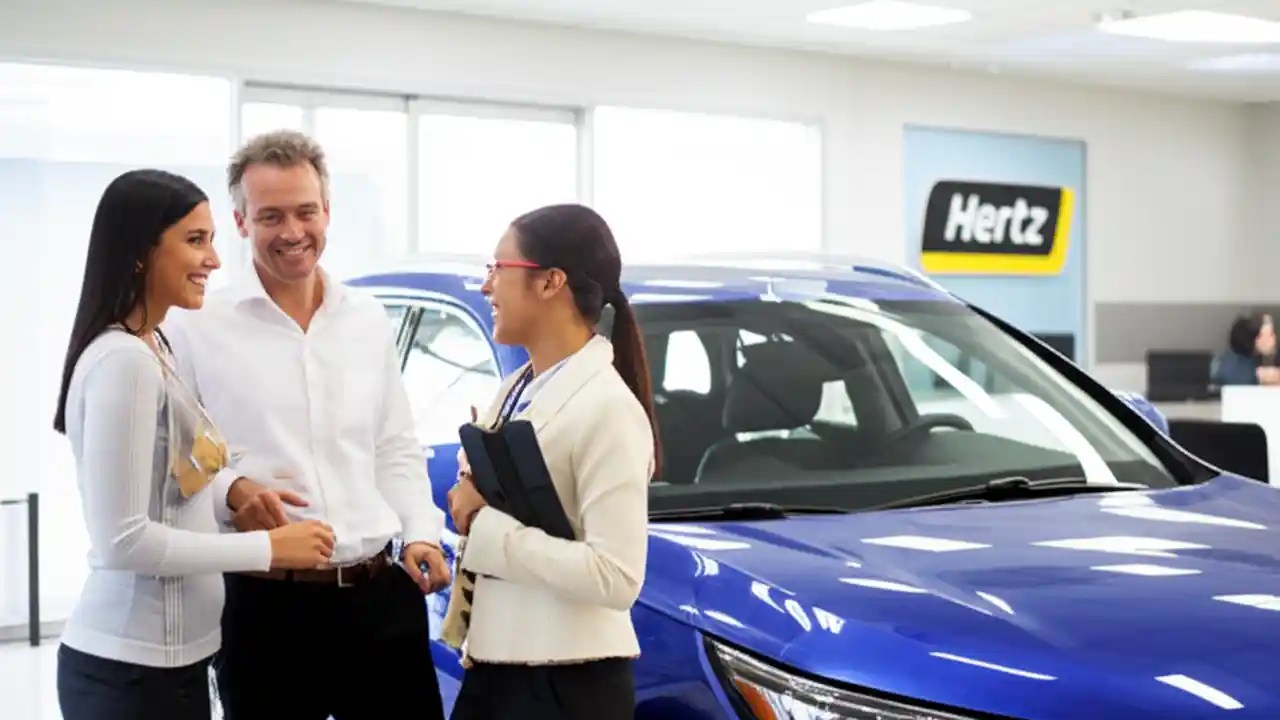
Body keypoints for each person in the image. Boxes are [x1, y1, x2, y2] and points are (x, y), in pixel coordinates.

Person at [161, 130, 450, 720]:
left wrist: (421, 530)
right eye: (271, 216)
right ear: (240, 222)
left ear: (327, 211)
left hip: (381, 599)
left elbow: (394, 444)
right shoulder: (195, 325)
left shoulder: (366, 318)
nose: (292, 231)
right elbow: (172, 457)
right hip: (266, 608)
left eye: (305, 211)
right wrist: (231, 490)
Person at [52, 169, 337, 720]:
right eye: (195, 240)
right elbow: (123, 541)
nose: (214, 259)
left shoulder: (154, 344)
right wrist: (269, 550)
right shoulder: (125, 361)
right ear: (142, 252)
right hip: (132, 674)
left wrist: (234, 495)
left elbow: (172, 487)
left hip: (172, 668)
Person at [443, 203, 660, 720]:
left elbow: (617, 576)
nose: (486, 285)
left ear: (550, 282)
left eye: (498, 268)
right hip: (501, 669)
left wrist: (484, 525)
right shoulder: (518, 388)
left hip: (565, 685)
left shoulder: (608, 408)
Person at [1213, 311, 1279, 386]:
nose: (1275, 337)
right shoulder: (1243, 375)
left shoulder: (1240, 355)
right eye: (1271, 334)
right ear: (1257, 341)